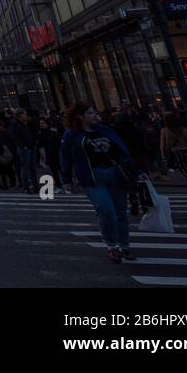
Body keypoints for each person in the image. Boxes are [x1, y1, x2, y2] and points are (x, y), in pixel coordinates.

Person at [60, 103, 139, 263]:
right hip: (92, 177)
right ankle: (111, 245)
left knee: (120, 211)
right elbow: (65, 157)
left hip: (114, 173)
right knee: (105, 210)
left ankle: (124, 246)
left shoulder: (106, 130)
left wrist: (137, 172)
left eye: (94, 112)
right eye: (90, 113)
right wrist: (66, 178)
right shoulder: (71, 135)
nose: (94, 115)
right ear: (79, 116)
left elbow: (123, 152)